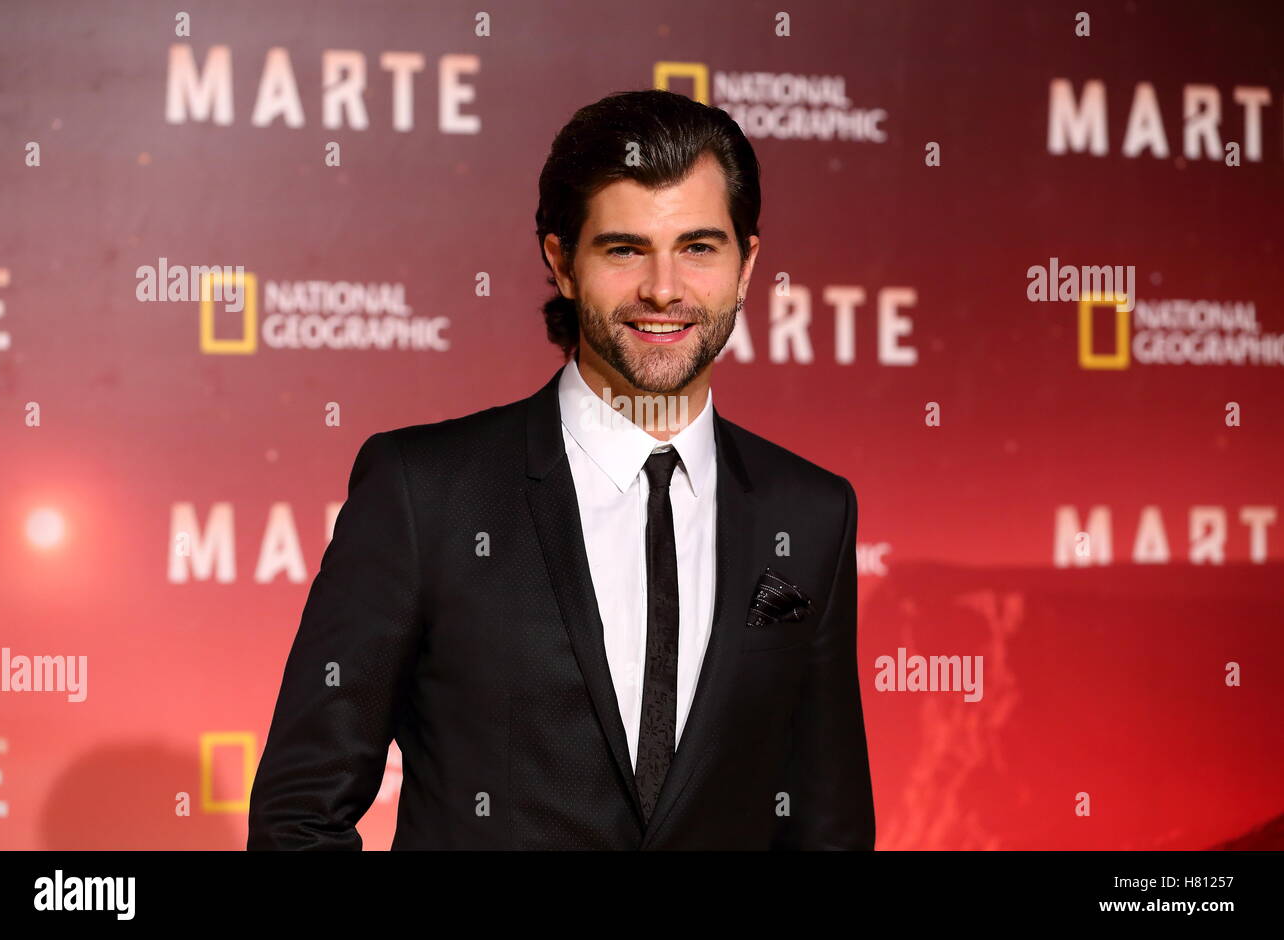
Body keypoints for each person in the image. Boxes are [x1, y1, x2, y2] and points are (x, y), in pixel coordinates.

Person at [247, 89, 874, 850]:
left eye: (699, 248)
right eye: (624, 249)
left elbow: (828, 830)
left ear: (746, 267)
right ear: (562, 263)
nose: (664, 288)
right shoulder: (425, 493)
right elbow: (299, 818)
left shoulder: (809, 512)